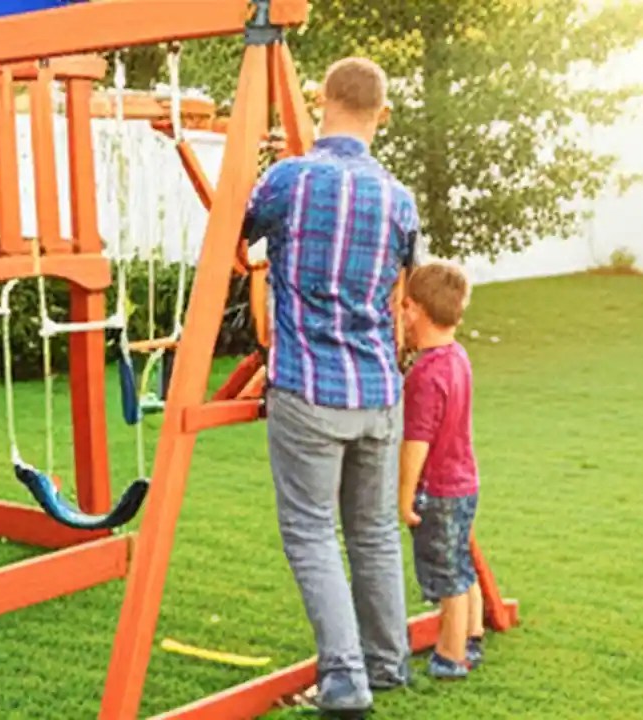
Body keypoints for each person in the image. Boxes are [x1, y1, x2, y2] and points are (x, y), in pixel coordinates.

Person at [243, 56, 420, 716]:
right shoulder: (399, 197)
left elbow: (237, 236)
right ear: (383, 114)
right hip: (377, 390)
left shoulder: (289, 179)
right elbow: (401, 286)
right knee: (372, 532)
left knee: (313, 533)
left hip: (309, 387)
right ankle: (388, 661)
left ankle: (344, 678)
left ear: (322, 100)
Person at [397, 259, 485, 680]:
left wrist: (403, 496)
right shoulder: (457, 357)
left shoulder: (425, 375)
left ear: (416, 309)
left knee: (447, 574)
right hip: (465, 482)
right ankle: (473, 634)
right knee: (460, 562)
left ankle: (451, 656)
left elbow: (417, 442)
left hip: (437, 489)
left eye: (403, 308)